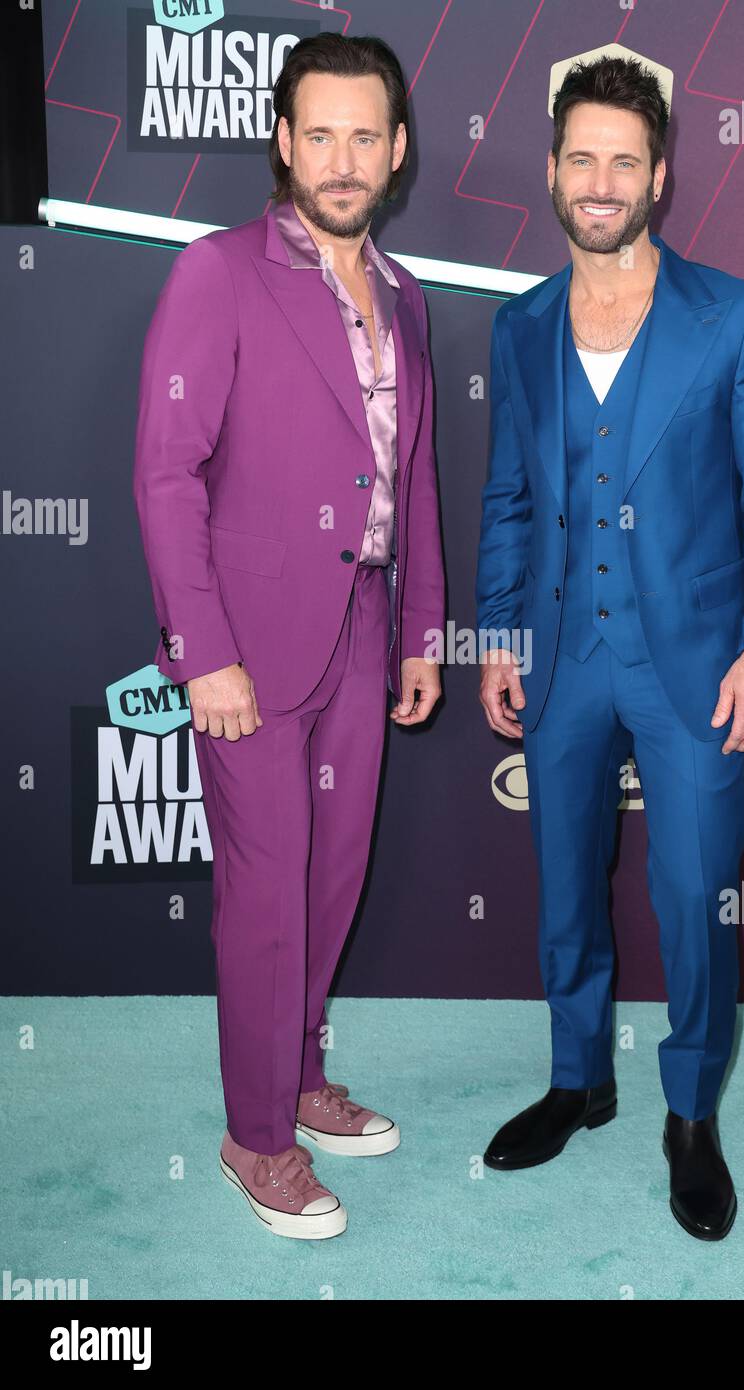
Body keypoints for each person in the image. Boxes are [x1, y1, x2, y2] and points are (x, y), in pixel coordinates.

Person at [476, 50, 744, 1240]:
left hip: (696, 660)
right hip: (562, 653)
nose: (600, 180)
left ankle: (689, 1110)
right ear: (552, 171)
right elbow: (506, 495)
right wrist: (497, 633)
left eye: (624, 160)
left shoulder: (735, 317)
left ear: (657, 176)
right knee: (565, 886)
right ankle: (579, 1080)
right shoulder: (516, 327)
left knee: (690, 893)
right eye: (581, 159)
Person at [133, 33, 444, 1240]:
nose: (341, 157)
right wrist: (203, 652)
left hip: (362, 625)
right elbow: (167, 474)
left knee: (331, 875)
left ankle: (302, 1075)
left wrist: (421, 627)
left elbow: (410, 476)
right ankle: (254, 1135)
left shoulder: (405, 293)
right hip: (249, 645)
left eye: (364, 134)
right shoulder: (218, 272)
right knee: (265, 893)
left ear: (399, 149)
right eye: (318, 132)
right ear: (281, 140)